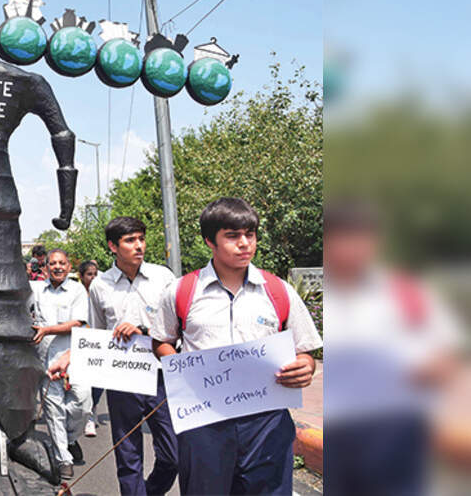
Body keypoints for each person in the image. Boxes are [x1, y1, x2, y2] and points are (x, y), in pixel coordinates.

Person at [149, 198, 322, 495]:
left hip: (267, 423)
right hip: (203, 423)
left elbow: (305, 351)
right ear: (209, 241)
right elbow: (161, 341)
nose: (244, 244)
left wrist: (304, 368)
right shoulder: (180, 291)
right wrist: (183, 371)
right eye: (232, 236)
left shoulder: (279, 291)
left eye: (250, 234)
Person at [323, 200, 462, 495]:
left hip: (399, 429)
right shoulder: (315, 298)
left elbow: (448, 355)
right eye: (342, 238)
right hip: (338, 433)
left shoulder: (406, 292)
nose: (352, 248)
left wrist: (424, 370)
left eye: (361, 237)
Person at [88, 217, 178, 496]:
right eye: (130, 240)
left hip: (161, 376)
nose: (139, 246)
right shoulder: (99, 285)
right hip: (122, 379)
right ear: (113, 246)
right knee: (128, 454)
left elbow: (178, 326)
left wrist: (144, 330)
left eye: (141, 239)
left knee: (173, 454)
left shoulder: (163, 277)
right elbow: (97, 334)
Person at [30, 248, 89, 479]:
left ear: (68, 266)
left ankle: (71, 437)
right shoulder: (36, 291)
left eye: (62, 263)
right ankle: (63, 457)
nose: (57, 267)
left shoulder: (77, 291)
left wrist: (47, 329)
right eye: (52, 263)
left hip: (74, 356)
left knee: (82, 404)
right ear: (45, 267)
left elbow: (78, 322)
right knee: (53, 410)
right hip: (45, 359)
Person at [77, 260, 102, 438]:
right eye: (89, 274)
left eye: (95, 274)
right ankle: (85, 416)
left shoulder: (101, 293)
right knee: (82, 387)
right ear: (82, 276)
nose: (93, 278)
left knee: (98, 384)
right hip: (82, 345)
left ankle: (91, 413)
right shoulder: (77, 294)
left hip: (100, 344)